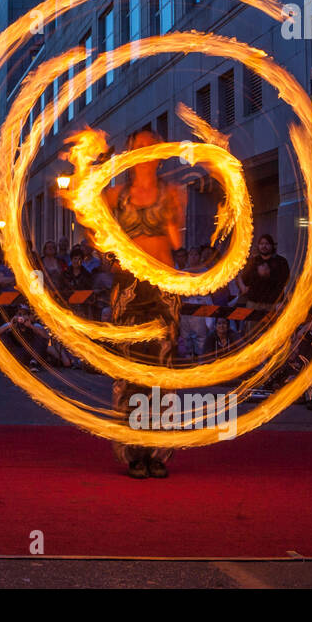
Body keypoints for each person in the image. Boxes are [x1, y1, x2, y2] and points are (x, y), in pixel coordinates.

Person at [103, 128, 185, 479]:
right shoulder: (113, 196)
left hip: (164, 285)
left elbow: (177, 241)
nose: (146, 151)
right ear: (129, 153)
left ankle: (158, 452)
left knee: (162, 371)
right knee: (130, 370)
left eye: (152, 146)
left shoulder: (173, 193)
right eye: (139, 146)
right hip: (128, 288)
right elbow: (99, 236)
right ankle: (133, 450)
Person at [237, 234, 290, 328]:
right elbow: (244, 279)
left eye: (267, 243)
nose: (264, 246)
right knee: (252, 333)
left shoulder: (280, 261)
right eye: (261, 243)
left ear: (272, 246)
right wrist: (243, 286)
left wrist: (269, 274)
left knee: (272, 332)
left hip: (273, 304)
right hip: (254, 304)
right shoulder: (252, 262)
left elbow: (285, 280)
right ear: (258, 246)